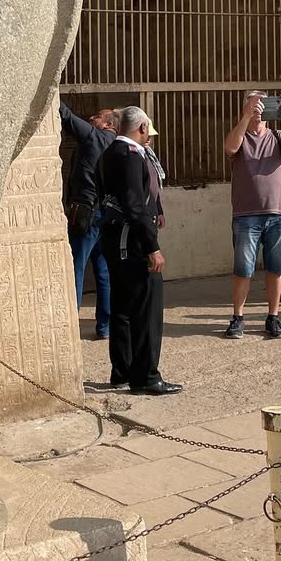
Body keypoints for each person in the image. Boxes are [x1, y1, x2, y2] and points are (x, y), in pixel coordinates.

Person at [99, 106, 181, 394]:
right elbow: (135, 206)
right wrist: (152, 247)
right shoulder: (130, 156)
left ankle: (122, 369)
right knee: (146, 307)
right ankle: (146, 375)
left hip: (115, 237)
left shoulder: (111, 152)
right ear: (143, 128)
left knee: (122, 306)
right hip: (130, 238)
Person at [223, 92, 281, 339]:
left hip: (278, 213)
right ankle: (237, 317)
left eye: (264, 104)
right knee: (243, 269)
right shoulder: (240, 135)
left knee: (276, 268)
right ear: (245, 107)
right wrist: (246, 117)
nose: (260, 109)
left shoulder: (277, 136)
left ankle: (273, 317)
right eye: (254, 104)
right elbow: (230, 147)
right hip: (246, 214)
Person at [59, 102, 118, 339]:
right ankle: (104, 326)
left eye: (98, 116)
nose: (92, 118)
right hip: (105, 212)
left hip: (86, 211)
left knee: (77, 266)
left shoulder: (96, 138)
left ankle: (72, 321)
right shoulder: (117, 144)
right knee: (103, 271)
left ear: (109, 124)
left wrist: (51, 90)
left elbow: (67, 116)